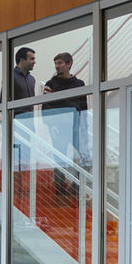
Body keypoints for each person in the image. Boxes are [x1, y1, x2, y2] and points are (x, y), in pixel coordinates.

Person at [42, 52, 88, 194]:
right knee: (59, 161)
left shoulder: (79, 84)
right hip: (59, 129)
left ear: (69, 64)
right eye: (56, 63)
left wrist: (84, 128)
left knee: (86, 158)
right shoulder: (51, 84)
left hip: (75, 128)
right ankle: (60, 193)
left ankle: (75, 188)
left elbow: (83, 108)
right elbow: (46, 108)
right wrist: (52, 126)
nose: (57, 66)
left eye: (60, 63)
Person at [11, 47, 36, 173]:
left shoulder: (32, 80)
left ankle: (19, 189)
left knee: (26, 160)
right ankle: (15, 188)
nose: (34, 62)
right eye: (31, 59)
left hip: (29, 126)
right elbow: (3, 104)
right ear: (22, 60)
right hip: (17, 127)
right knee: (16, 160)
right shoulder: (11, 77)